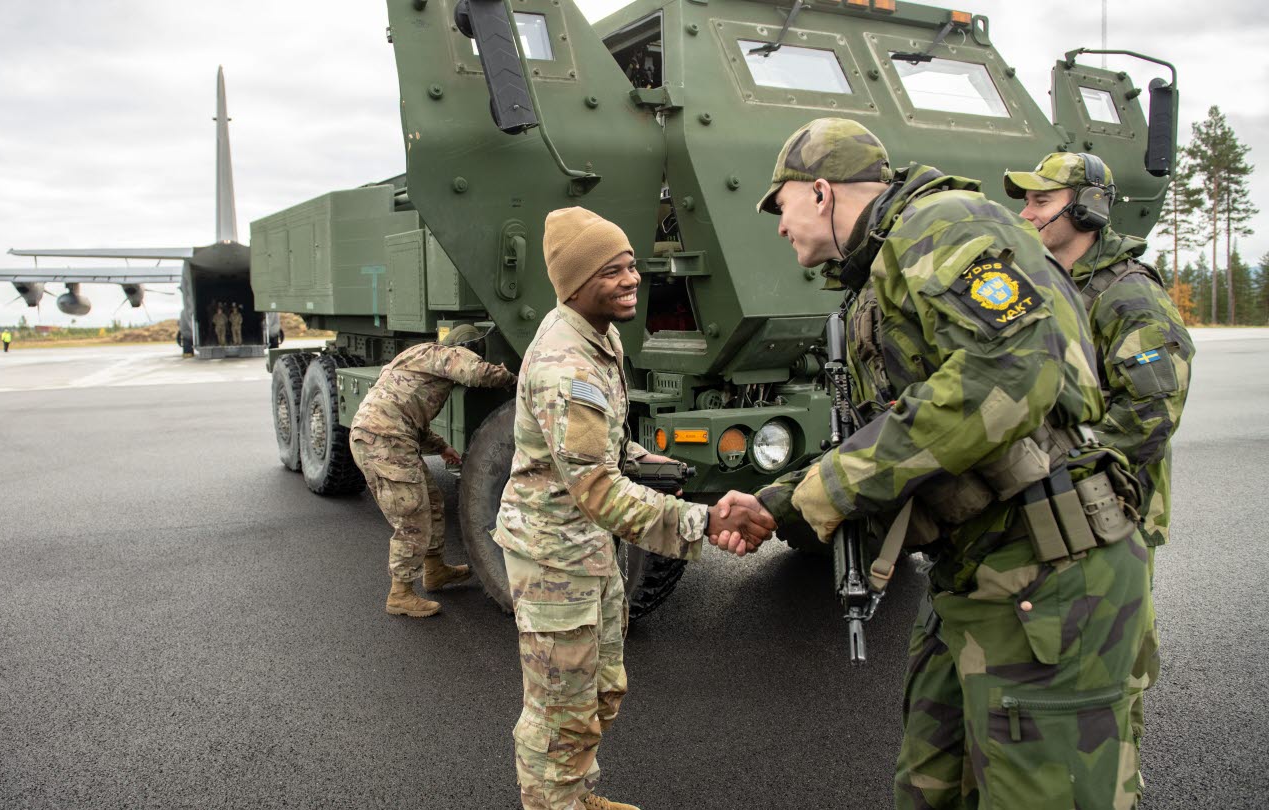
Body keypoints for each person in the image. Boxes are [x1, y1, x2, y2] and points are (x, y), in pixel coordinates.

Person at [750, 120, 1154, 809]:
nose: (779, 225)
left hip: (1044, 578)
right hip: (977, 576)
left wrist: (829, 489)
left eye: (780, 203)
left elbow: (1013, 370)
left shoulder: (937, 224)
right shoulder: (885, 266)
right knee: (932, 788)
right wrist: (780, 501)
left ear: (820, 192)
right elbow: (899, 427)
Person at [494, 206, 775, 810]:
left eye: (630, 267)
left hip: (586, 546)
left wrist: (642, 458)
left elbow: (603, 447)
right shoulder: (566, 366)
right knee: (558, 708)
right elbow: (595, 488)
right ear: (574, 283)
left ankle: (575, 794)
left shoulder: (599, 336)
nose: (631, 280)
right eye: (612, 271)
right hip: (553, 560)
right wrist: (702, 522)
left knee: (599, 688)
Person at [1006, 151, 1195, 755]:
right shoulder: (1045, 283)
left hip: (1113, 510)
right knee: (1060, 660)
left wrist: (1069, 479)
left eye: (1041, 201)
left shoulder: (1127, 294)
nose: (1026, 212)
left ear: (1086, 209)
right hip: (1058, 513)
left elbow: (1151, 411)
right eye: (1027, 200)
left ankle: (1119, 776)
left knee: (1116, 665)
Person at [349, 324, 517, 618]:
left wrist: (441, 447)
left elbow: (411, 415)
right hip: (385, 440)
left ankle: (436, 570)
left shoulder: (419, 356)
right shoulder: (449, 356)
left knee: (433, 501)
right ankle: (400, 594)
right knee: (412, 515)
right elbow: (476, 373)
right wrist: (514, 379)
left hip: (384, 435)